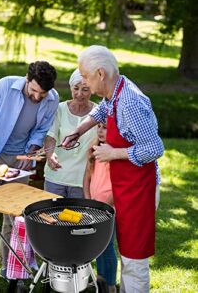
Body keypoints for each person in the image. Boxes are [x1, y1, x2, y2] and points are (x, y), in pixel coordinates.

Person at [62, 45, 164, 292]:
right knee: (125, 254)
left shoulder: (130, 103)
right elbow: (102, 111)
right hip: (124, 186)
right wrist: (78, 131)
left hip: (138, 189)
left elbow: (155, 148)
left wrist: (113, 153)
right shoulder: (115, 92)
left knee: (134, 258)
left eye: (85, 76)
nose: (84, 82)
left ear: (100, 73)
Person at [0, 61, 58, 278]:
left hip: (21, 158)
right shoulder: (5, 86)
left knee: (15, 214)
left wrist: (31, 152)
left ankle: (9, 266)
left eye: (42, 93)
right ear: (26, 78)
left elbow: (42, 129)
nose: (37, 97)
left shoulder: (52, 99)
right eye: (34, 90)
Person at [44, 68, 97, 198]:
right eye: (76, 88)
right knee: (51, 215)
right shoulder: (60, 109)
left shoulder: (98, 113)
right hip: (56, 174)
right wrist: (50, 154)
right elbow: (51, 135)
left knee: (77, 217)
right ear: (71, 88)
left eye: (85, 89)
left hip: (82, 179)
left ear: (92, 90)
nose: (79, 94)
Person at [83, 122, 117, 293]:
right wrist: (89, 201)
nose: (101, 130)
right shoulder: (94, 149)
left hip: (109, 208)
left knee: (107, 245)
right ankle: (100, 279)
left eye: (106, 127)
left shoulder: (115, 154)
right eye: (100, 126)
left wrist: (106, 205)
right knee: (98, 245)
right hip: (94, 207)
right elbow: (87, 177)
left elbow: (118, 185)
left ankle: (110, 284)